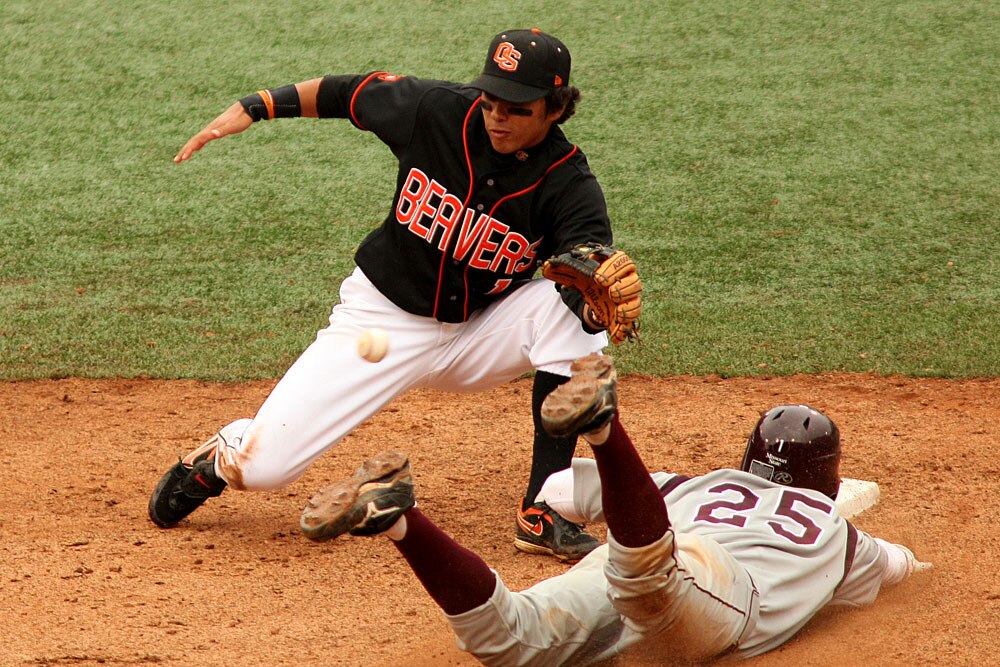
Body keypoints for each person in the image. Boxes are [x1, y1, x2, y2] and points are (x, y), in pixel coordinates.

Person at [148, 28, 641, 562]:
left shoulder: (568, 182)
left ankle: (544, 510)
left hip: (479, 332)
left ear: (556, 109)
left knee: (575, 305)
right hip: (379, 320)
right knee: (264, 470)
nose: (497, 116)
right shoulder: (435, 110)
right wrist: (257, 106)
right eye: (491, 100)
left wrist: (589, 283)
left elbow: (591, 256)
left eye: (516, 109)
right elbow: (347, 92)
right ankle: (220, 458)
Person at [299, 353, 931, 665]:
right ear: (829, 477)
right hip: (715, 584)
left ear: (746, 459)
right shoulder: (847, 541)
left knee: (506, 640)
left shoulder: (691, 482)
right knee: (651, 580)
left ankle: (400, 518)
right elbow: (905, 569)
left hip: (648, 539)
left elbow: (554, 494)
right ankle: (602, 427)